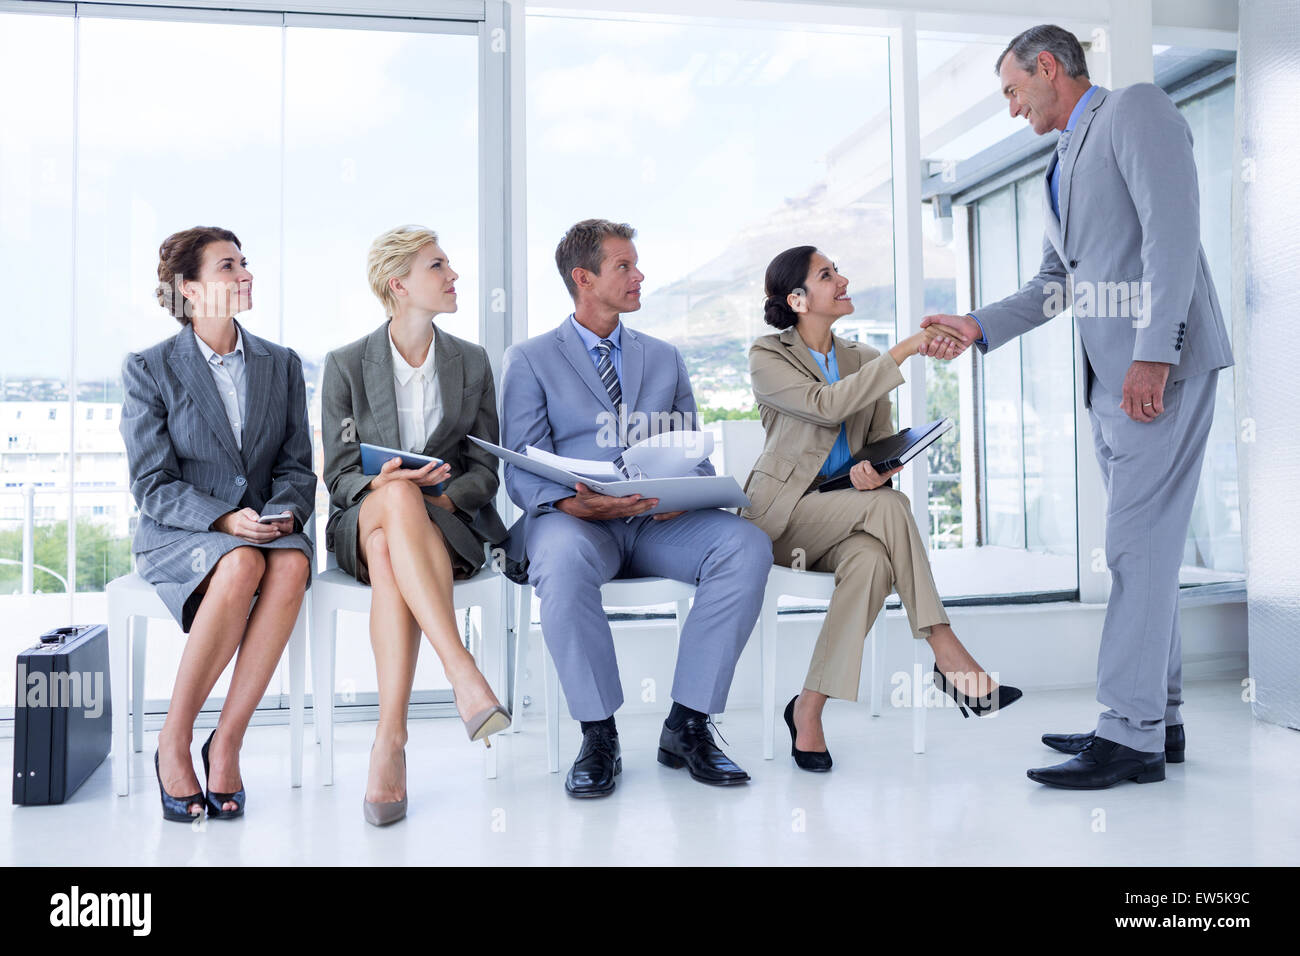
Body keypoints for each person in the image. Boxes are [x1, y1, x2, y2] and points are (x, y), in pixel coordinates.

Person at [919, 25, 1234, 789]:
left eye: (1011, 89)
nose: (1009, 106)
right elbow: (1055, 283)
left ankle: (1129, 737)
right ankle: (1157, 718)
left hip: (1157, 371)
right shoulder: (1061, 158)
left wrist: (1154, 354)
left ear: (1049, 68)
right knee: (1145, 550)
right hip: (1110, 384)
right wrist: (978, 325)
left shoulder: (1135, 110)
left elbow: (1172, 234)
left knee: (1133, 550)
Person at [501, 218, 773, 798]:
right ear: (583, 278)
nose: (638, 274)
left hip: (656, 521)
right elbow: (520, 464)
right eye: (623, 265)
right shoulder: (529, 360)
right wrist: (570, 504)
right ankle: (599, 734)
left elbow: (691, 446)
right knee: (561, 562)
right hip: (577, 525)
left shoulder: (665, 357)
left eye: (635, 263)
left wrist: (687, 490)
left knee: (745, 544)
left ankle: (687, 724)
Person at [747, 245, 1022, 772]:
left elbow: (875, 444)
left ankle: (809, 709)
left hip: (847, 510)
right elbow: (826, 406)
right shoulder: (768, 356)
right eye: (827, 275)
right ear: (798, 299)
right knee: (892, 510)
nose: (842, 279)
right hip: (784, 519)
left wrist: (874, 470)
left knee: (874, 557)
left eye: (837, 270)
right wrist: (907, 349)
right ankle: (947, 652)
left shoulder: (863, 360)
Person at [121, 226, 316, 822]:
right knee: (241, 566)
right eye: (228, 267)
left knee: (291, 564)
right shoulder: (150, 368)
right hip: (181, 533)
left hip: (262, 527)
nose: (245, 275)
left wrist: (282, 515)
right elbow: (151, 483)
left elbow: (297, 467)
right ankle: (173, 742)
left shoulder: (280, 364)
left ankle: (226, 741)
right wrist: (225, 520)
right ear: (189, 288)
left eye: (244, 264)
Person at [320, 225, 510, 826]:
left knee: (390, 543)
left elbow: (485, 465)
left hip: (443, 528)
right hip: (362, 518)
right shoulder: (346, 365)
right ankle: (462, 672)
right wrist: (384, 483)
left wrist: (450, 498)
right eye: (439, 266)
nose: (454, 277)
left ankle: (390, 741)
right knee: (392, 503)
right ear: (399, 284)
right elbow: (339, 472)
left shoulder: (471, 361)